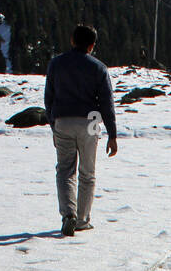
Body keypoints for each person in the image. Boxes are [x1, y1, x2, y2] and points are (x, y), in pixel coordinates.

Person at [44, 23, 118, 237]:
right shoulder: (99, 68)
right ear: (92, 46)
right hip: (91, 121)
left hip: (63, 120)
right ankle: (82, 220)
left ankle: (68, 214)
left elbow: (49, 98)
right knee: (88, 172)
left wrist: (53, 125)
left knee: (65, 170)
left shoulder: (56, 64)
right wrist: (112, 135)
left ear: (72, 40)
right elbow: (107, 103)